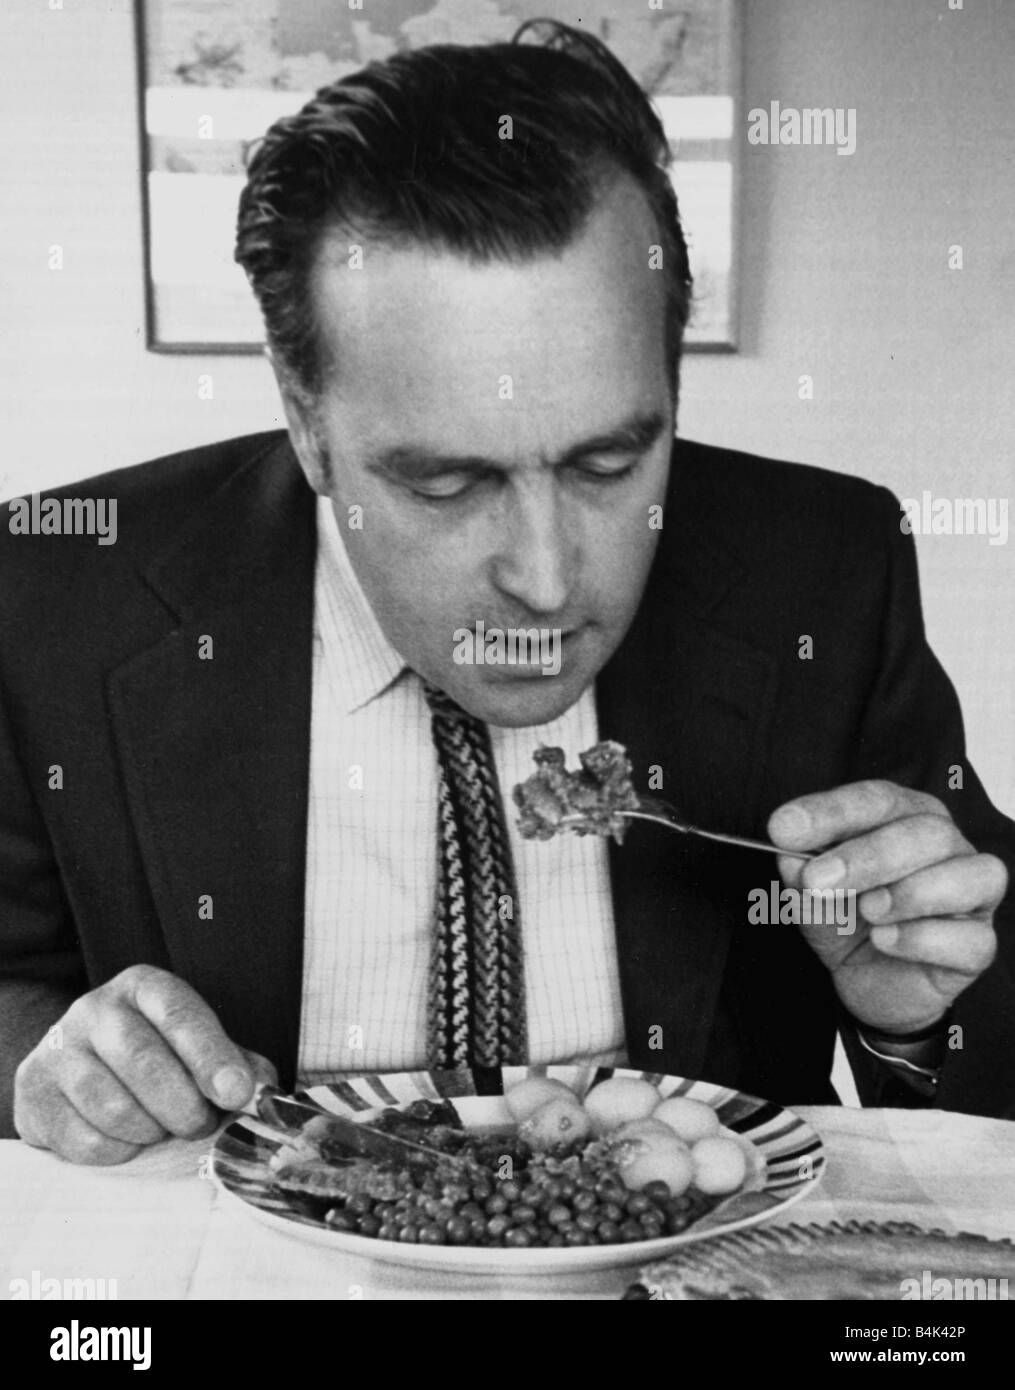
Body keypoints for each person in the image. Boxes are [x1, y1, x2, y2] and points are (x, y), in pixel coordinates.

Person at [1, 22, 1012, 1165]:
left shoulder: (824, 568)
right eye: (443, 480)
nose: (545, 580)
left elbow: (985, 1010)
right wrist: (55, 1059)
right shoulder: (53, 584)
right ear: (306, 418)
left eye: (606, 464)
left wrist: (916, 1018)